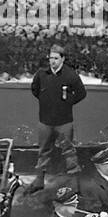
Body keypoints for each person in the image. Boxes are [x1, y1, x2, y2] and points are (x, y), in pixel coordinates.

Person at [25, 44, 85, 193]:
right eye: (51, 58)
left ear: (63, 59)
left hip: (64, 122)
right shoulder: (41, 74)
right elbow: (35, 89)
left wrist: (67, 103)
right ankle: (39, 180)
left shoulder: (70, 75)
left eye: (56, 58)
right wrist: (46, 101)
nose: (52, 61)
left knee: (69, 151)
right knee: (43, 151)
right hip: (45, 121)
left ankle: (73, 184)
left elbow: (81, 93)